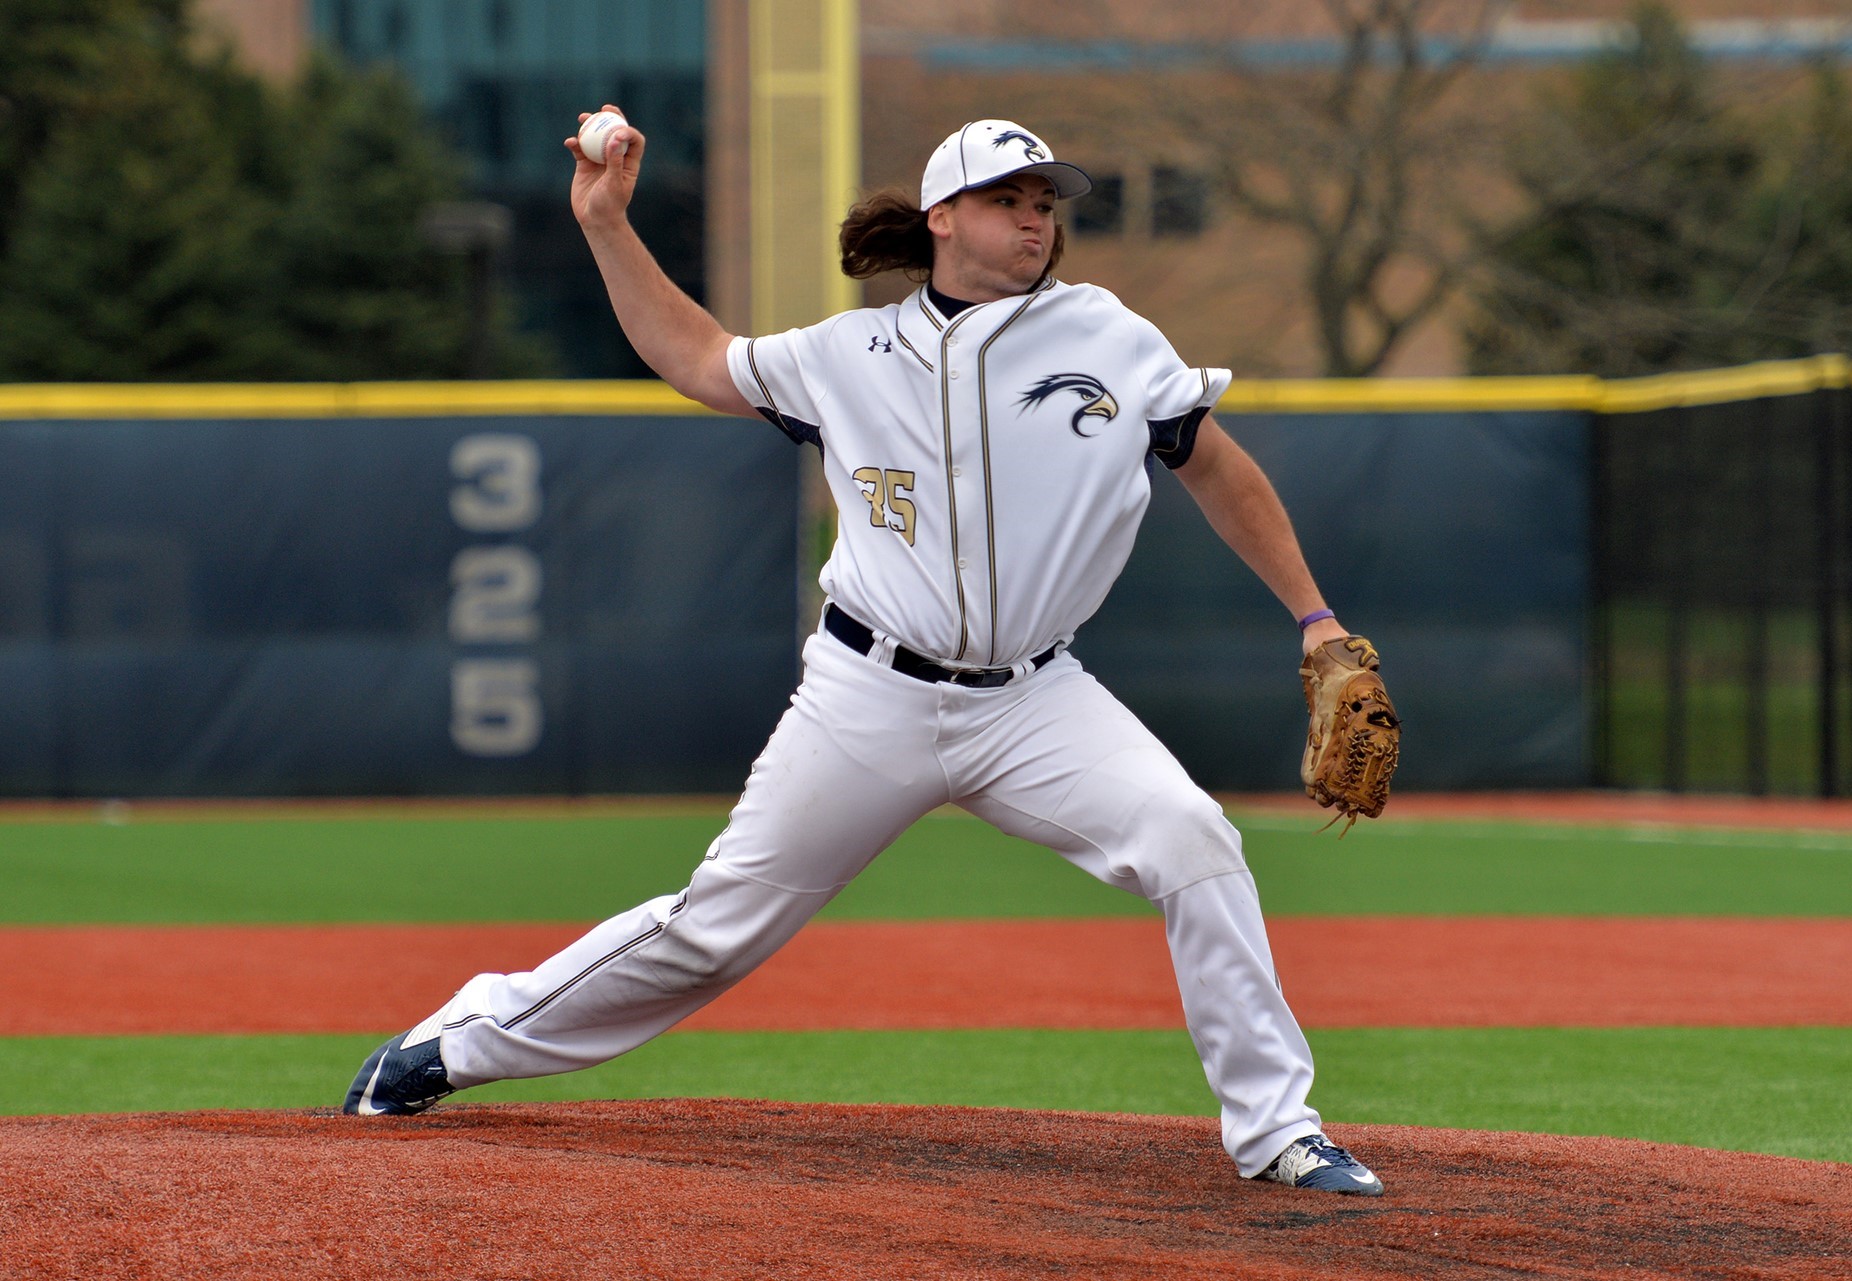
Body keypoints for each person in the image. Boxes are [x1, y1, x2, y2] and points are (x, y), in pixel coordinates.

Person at [343, 111, 1384, 1197]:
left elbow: (1216, 470)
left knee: (1192, 840)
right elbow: (698, 358)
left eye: (1044, 204)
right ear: (942, 217)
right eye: (1007, 200)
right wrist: (606, 226)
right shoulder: (847, 353)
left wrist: (1315, 622)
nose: (1035, 220)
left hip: (1035, 700)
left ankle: (1278, 1132)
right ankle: (455, 1042)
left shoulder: (1108, 335)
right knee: (714, 933)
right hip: (866, 695)